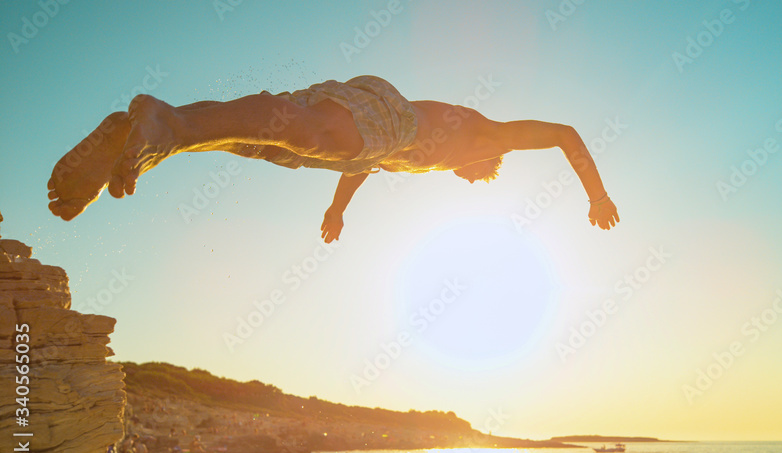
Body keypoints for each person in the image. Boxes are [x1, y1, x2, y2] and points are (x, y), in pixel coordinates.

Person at [47, 76, 619, 240]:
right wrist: (597, 196)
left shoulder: (421, 161)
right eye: (477, 178)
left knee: (264, 142)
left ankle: (150, 133)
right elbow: (563, 133)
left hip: (366, 137)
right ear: (485, 163)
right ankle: (167, 125)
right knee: (318, 136)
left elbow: (366, 164)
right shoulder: (487, 138)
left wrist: (338, 209)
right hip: (387, 115)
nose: (469, 180)